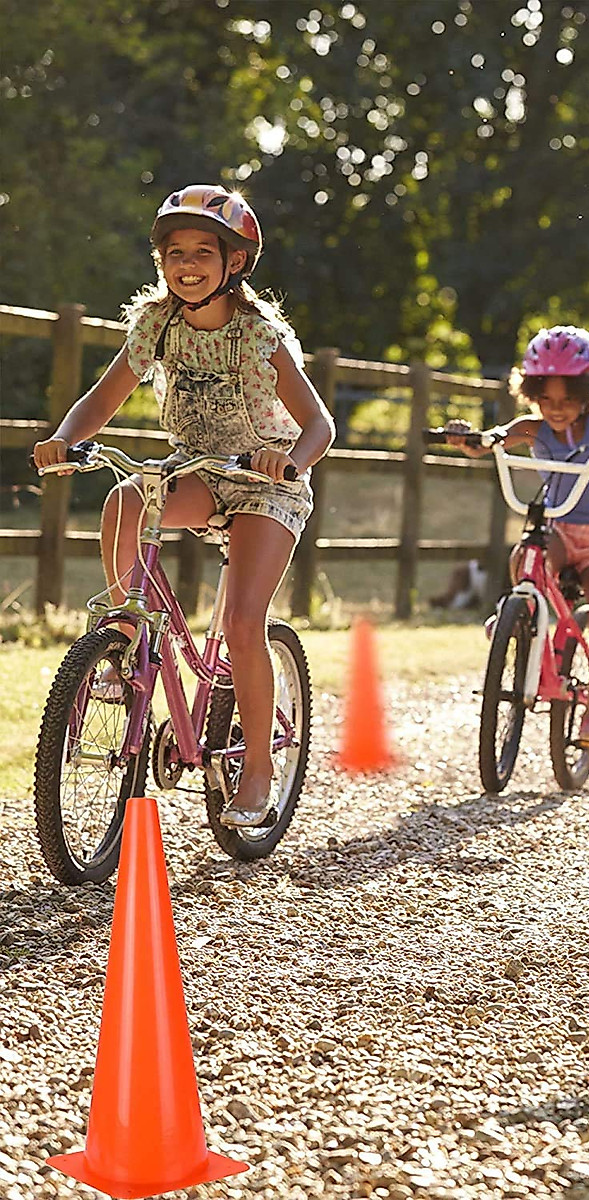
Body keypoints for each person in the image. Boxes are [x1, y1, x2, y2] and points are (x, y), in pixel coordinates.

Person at [32, 184, 335, 828]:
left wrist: (291, 461)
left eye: (204, 250)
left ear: (236, 262)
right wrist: (66, 438)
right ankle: (121, 632)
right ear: (160, 261)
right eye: (174, 251)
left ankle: (256, 770)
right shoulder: (157, 324)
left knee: (244, 622)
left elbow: (319, 424)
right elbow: (104, 395)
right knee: (125, 498)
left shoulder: (260, 336)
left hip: (264, 481)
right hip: (196, 467)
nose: (187, 263)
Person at [445, 325, 589, 753]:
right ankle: (519, 613)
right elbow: (491, 439)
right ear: (531, 394)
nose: (556, 410)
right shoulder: (533, 428)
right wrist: (468, 437)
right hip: (561, 529)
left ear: (588, 392)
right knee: (528, 550)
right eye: (545, 400)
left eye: (566, 401)